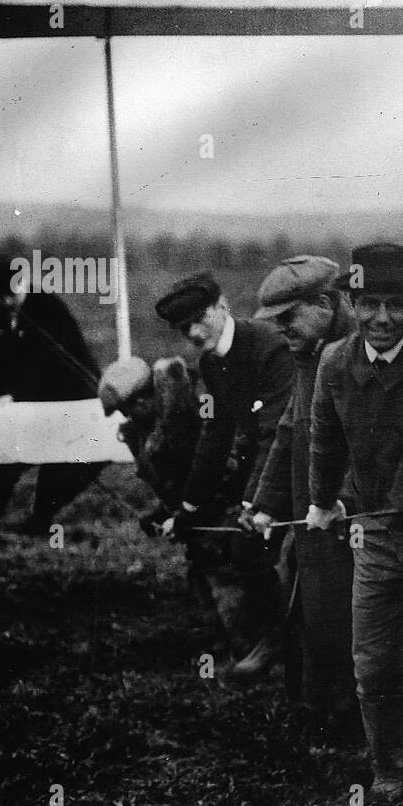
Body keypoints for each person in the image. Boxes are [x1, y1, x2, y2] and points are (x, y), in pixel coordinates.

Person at [299, 242, 403, 800]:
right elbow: (325, 437)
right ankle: (388, 766)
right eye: (369, 304)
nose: (382, 318)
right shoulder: (335, 362)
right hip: (375, 538)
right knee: (375, 666)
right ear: (352, 304)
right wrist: (323, 500)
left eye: (396, 304)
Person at [155, 271, 295, 674]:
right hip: (263, 463)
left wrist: (256, 502)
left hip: (299, 457)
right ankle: (271, 638)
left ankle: (286, 642)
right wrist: (189, 505)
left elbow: (275, 432)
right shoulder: (211, 366)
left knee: (262, 546)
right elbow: (215, 436)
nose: (195, 332)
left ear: (223, 306)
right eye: (185, 328)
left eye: (202, 318)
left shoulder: (269, 346)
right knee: (243, 548)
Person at [247, 256, 360, 740]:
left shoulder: (362, 352)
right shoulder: (305, 356)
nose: (281, 331)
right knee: (316, 611)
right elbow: (290, 429)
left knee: (360, 622)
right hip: (311, 519)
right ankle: (321, 713)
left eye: (288, 318)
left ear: (324, 303)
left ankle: (363, 727)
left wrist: (344, 503)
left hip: (357, 520)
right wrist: (265, 503)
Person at [99, 354, 254, 657]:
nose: (130, 415)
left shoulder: (189, 421)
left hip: (224, 518)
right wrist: (163, 513)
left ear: (147, 396)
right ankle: (228, 646)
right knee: (203, 578)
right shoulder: (149, 431)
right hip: (198, 522)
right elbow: (176, 484)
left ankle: (248, 651)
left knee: (225, 576)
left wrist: (185, 513)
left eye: (133, 405)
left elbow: (216, 474)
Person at [0, 253, 106, 533]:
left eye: (11, 295)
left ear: (23, 282)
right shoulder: (0, 312)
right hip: (28, 395)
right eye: (0, 298)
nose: (7, 303)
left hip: (71, 393)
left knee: (61, 458)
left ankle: (40, 514)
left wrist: (18, 396)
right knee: (10, 438)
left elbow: (49, 363)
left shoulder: (48, 308)